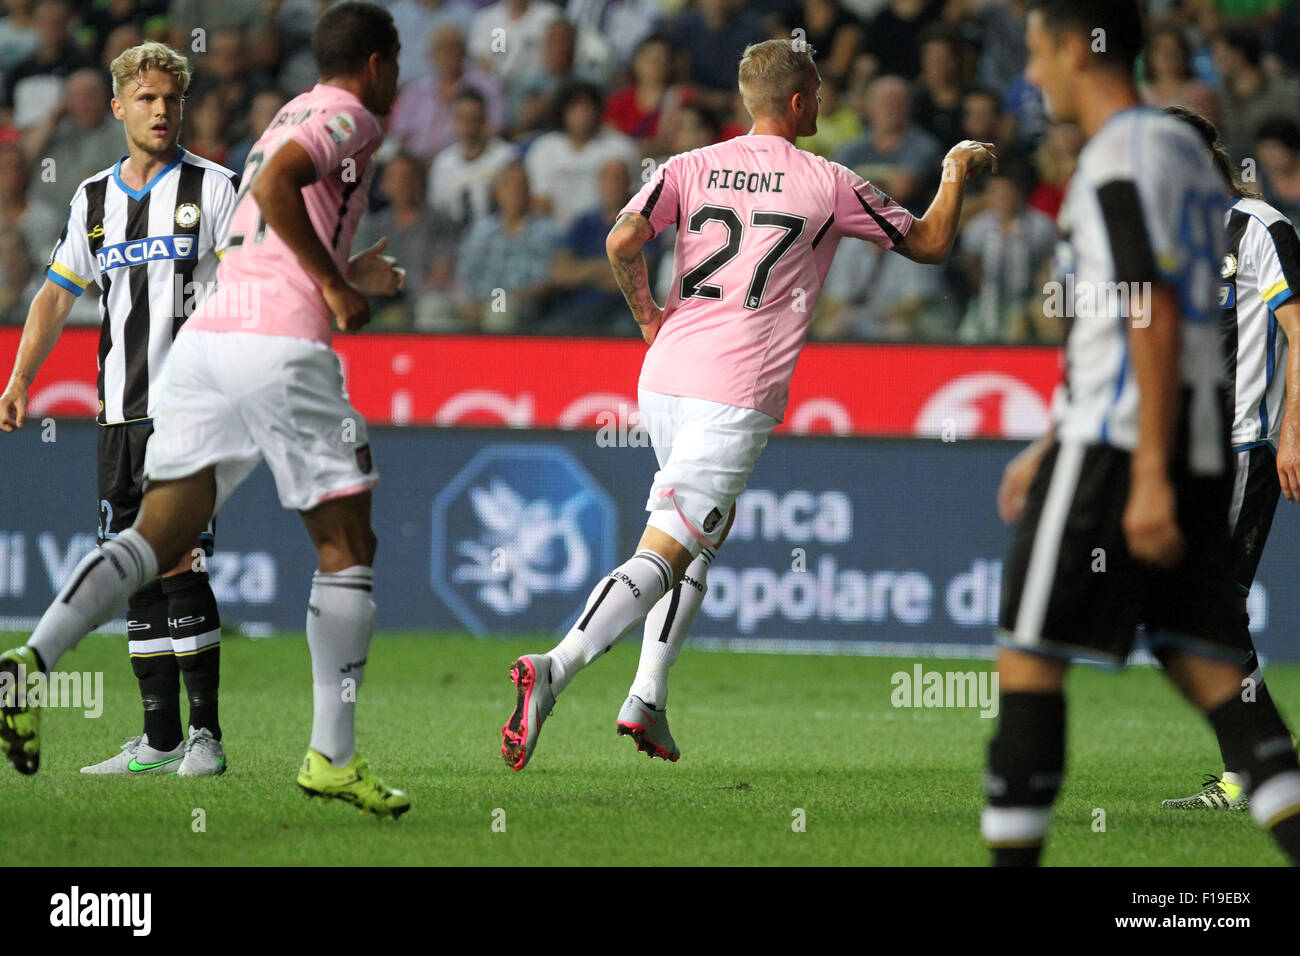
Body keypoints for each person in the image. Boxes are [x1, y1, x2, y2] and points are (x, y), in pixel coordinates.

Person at [499, 37, 994, 770]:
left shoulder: (688, 164)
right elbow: (929, 242)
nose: (824, 103)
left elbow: (623, 238)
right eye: (819, 93)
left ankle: (647, 698)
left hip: (663, 376)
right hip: (735, 390)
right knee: (666, 549)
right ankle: (557, 668)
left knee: (698, 534)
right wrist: (954, 169)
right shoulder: (827, 181)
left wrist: (647, 320)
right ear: (798, 104)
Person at [0, 1, 411, 818]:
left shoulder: (273, 125)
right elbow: (280, 180)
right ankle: (330, 755)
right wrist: (334, 286)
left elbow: (260, 224)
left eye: (170, 97)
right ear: (376, 64)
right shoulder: (348, 115)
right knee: (348, 539)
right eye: (395, 65)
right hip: (273, 347)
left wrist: (341, 268)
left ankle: (30, 663)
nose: (161, 111)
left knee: (156, 539)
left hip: (201, 352)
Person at [983, 0, 1300, 866]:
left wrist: (1140, 469)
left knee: (1027, 663)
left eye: (1039, 52)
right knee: (1217, 676)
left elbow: (1149, 313)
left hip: (1120, 451)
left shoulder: (1115, 161)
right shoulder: (1186, 167)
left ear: (1071, 50)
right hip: (1193, 444)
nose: (1033, 72)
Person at [0, 41, 237, 776]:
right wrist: (19, 378)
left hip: (191, 414)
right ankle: (160, 738)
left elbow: (249, 292)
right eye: (146, 98)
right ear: (118, 108)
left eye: (171, 98)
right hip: (117, 418)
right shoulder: (94, 197)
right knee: (131, 569)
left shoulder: (217, 187)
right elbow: (55, 295)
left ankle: (206, 738)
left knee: (182, 565)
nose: (161, 110)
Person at [1158, 105, 1300, 812]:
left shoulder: (1262, 227)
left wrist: (1293, 431)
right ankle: (1255, 769)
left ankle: (1259, 773)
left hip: (1246, 444)